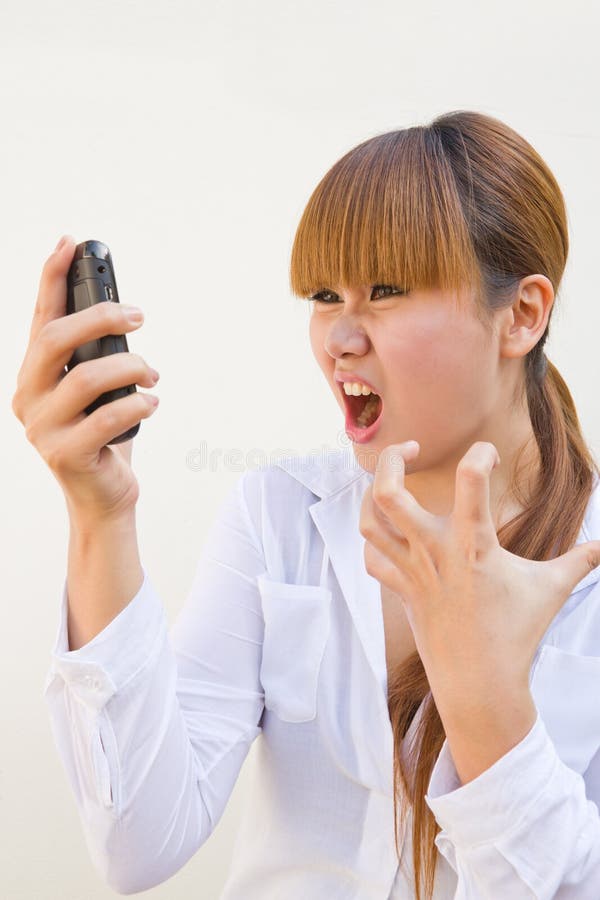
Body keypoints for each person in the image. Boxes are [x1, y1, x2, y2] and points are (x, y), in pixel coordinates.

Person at [12, 109, 600, 899]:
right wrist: (101, 511)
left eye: (385, 291)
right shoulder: (278, 515)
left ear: (522, 315)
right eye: (326, 296)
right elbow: (137, 845)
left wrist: (482, 689)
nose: (339, 339)